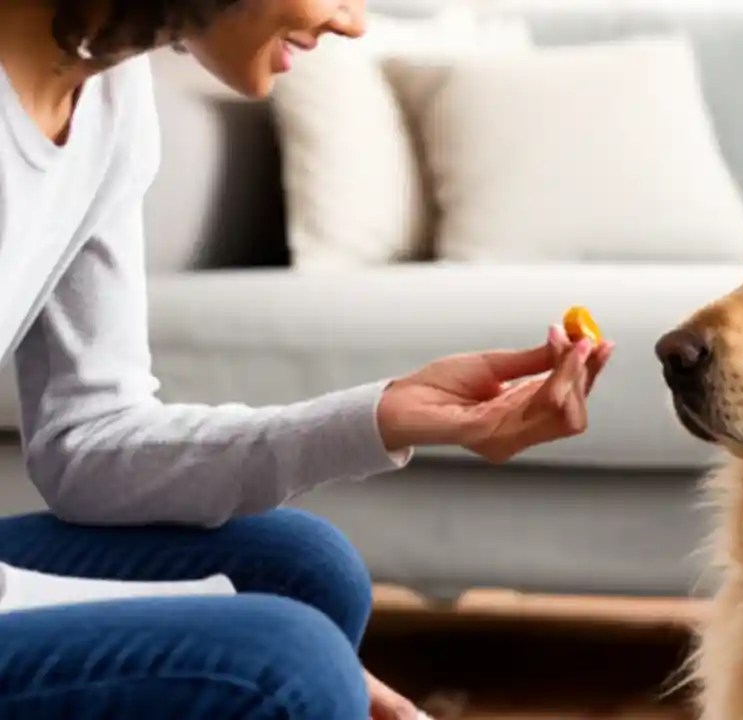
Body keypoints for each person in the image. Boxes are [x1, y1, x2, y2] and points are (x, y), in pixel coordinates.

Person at [0, 0, 615, 718]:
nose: (354, 22)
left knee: (298, 570)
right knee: (284, 661)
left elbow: (89, 440)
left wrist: (380, 417)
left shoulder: (109, 93)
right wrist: (253, 646)